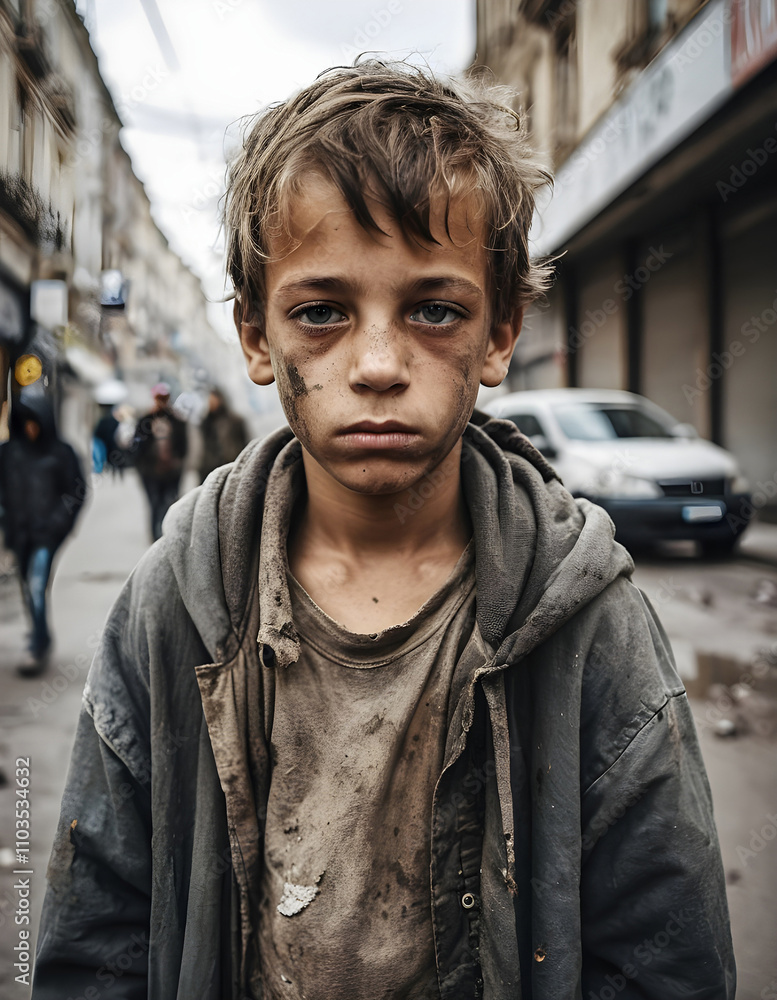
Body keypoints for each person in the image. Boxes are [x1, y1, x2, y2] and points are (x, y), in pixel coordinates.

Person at [32, 62, 735, 998]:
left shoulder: (588, 626)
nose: (374, 364)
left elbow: (663, 957)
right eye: (321, 312)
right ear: (254, 334)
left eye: (433, 310)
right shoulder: (174, 605)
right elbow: (99, 941)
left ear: (498, 334)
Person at [0, 387, 85, 676]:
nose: (31, 428)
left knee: (36, 585)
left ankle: (36, 647)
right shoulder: (9, 453)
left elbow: (76, 491)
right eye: (26, 423)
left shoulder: (62, 453)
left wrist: (57, 523)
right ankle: (42, 636)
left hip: (47, 534)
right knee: (28, 587)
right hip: (19, 533)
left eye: (35, 422)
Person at [132, 382, 188, 541]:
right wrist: (141, 464)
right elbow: (137, 446)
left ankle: (167, 535)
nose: (162, 402)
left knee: (170, 503)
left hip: (171, 472)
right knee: (154, 503)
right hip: (150, 472)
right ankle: (154, 537)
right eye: (159, 398)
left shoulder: (176, 420)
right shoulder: (145, 420)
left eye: (164, 398)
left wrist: (179, 461)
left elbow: (183, 444)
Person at [198, 386, 249, 482]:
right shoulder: (206, 423)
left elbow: (245, 442)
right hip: (213, 469)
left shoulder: (235, 420)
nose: (211, 402)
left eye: (213, 399)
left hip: (234, 465)